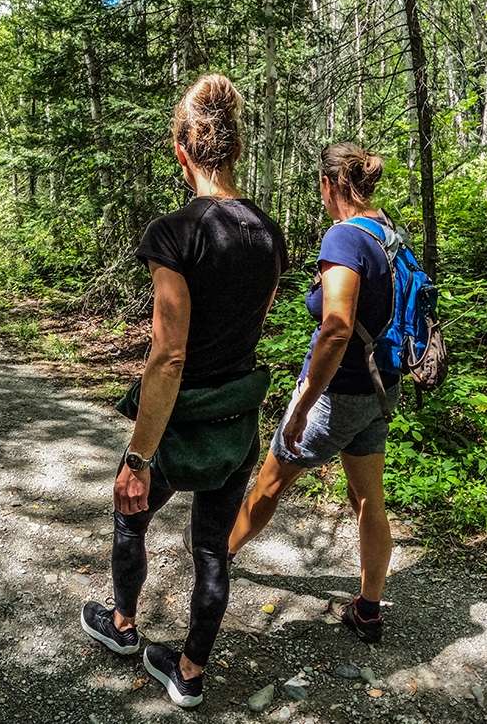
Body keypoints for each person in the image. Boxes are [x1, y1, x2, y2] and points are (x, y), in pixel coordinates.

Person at [79, 73, 287, 709]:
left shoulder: (175, 234)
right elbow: (250, 324)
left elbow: (168, 355)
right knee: (212, 549)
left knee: (130, 513)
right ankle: (190, 672)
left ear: (181, 150)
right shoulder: (269, 233)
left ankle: (120, 626)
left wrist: (139, 457)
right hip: (237, 420)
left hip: (180, 420)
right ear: (237, 149)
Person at [225, 141, 400, 644]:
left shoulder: (344, 239)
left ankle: (219, 557)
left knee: (271, 481)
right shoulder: (388, 232)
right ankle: (368, 608)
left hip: (337, 391)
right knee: (369, 498)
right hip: (380, 386)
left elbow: (337, 326)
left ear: (329, 184)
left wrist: (302, 405)